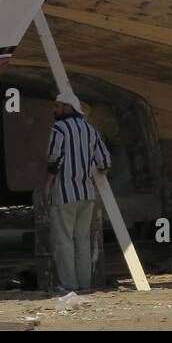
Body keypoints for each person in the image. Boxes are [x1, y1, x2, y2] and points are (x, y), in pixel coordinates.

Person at [46, 92, 112, 294]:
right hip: (87, 194)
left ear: (67, 107)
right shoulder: (91, 130)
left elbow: (54, 158)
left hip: (64, 193)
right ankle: (85, 285)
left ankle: (69, 286)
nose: (54, 110)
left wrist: (47, 184)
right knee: (82, 241)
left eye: (57, 106)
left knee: (64, 240)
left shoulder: (59, 128)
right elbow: (105, 162)